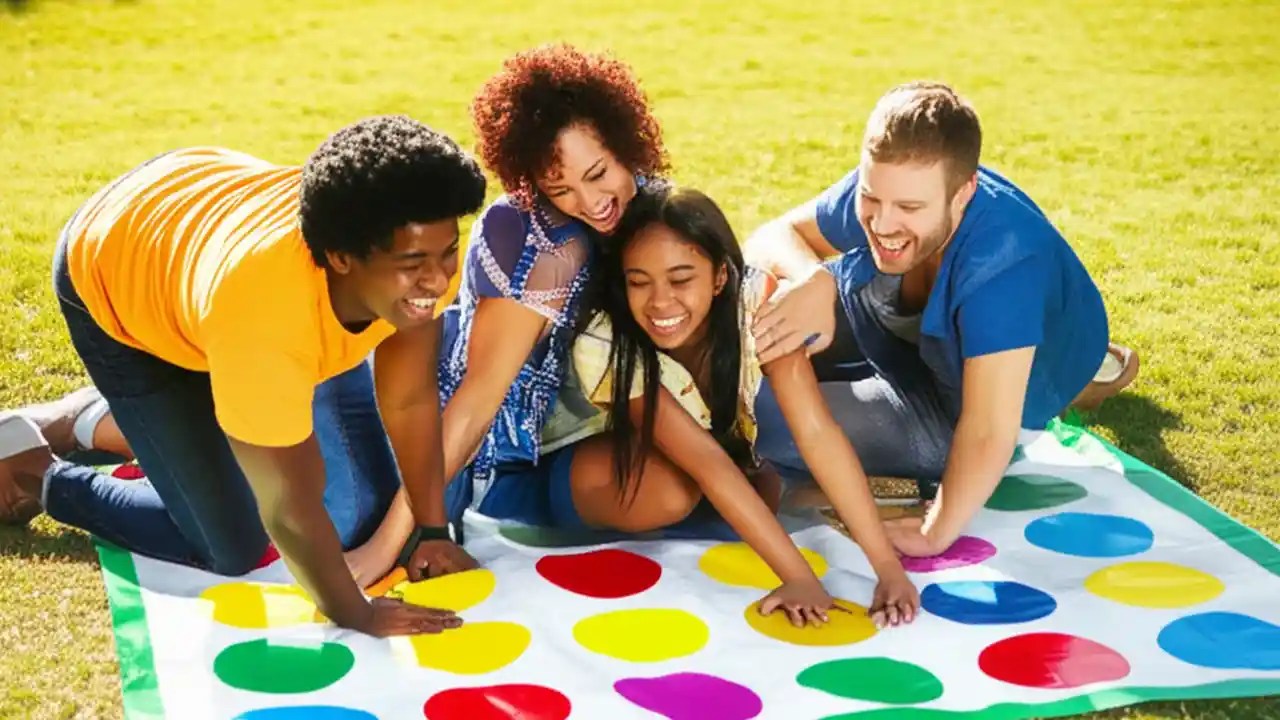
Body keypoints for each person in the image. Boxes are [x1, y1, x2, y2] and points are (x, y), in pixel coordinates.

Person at [0, 115, 487, 637]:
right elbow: (288, 506)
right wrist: (356, 612)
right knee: (231, 543)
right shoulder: (267, 324)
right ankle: (33, 472)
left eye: (446, 253)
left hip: (197, 220)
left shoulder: (421, 260)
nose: (437, 279)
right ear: (342, 258)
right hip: (113, 268)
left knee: (344, 500)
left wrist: (431, 530)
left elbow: (411, 399)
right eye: (414, 262)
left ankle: (96, 417)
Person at [743, 82, 1140, 557]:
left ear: (963, 192)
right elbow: (772, 236)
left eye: (909, 208)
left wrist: (935, 531)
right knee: (748, 335)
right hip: (891, 325)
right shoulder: (897, 183)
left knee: (755, 419)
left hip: (948, 409)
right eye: (871, 198)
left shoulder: (1005, 262)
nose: (883, 222)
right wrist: (814, 278)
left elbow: (988, 428)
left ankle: (1065, 384)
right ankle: (1069, 372)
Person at [341, 44, 672, 587]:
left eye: (598, 173)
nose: (589, 202)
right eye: (560, 189)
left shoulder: (659, 214)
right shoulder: (539, 242)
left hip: (556, 445)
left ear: (625, 141)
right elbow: (475, 400)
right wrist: (386, 544)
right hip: (440, 428)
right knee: (347, 519)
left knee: (667, 492)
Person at [570, 182, 919, 627]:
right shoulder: (604, 339)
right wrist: (799, 576)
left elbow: (816, 431)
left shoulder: (759, 303)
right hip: (583, 473)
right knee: (674, 491)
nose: (660, 302)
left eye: (681, 279)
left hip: (695, 463)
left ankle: (720, 506)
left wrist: (887, 569)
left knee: (756, 491)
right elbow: (708, 463)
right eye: (639, 282)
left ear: (719, 277)